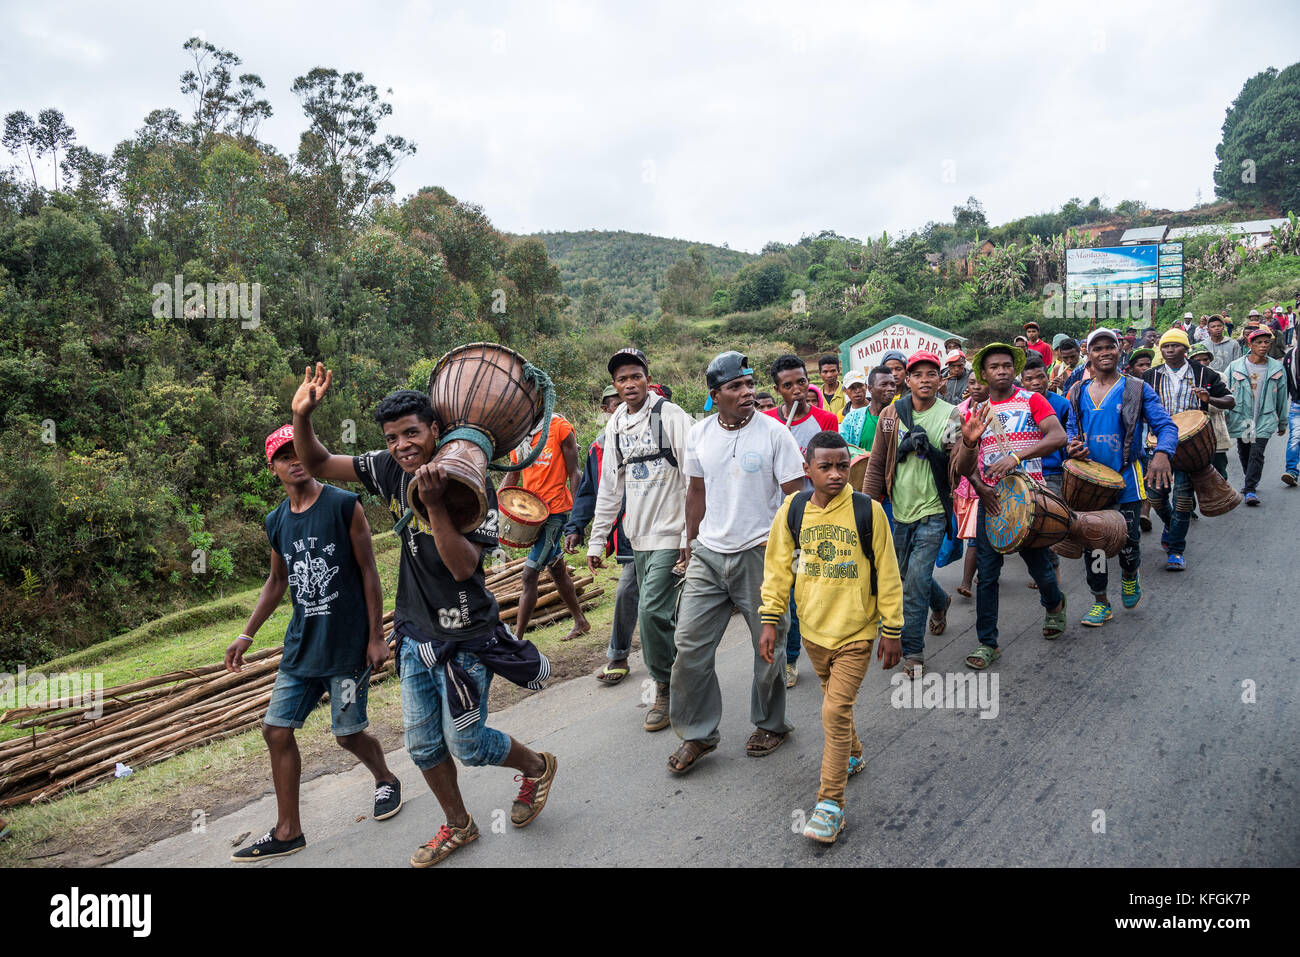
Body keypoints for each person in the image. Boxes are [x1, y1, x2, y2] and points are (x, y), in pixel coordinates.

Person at [291, 371, 557, 867]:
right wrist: (302, 416)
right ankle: (460, 825)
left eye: (411, 432)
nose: (401, 446)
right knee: (423, 744)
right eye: (391, 438)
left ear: (435, 428)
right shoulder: (389, 470)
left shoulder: (471, 482)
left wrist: (433, 503)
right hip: (416, 633)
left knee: (470, 744)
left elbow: (462, 567)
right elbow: (319, 462)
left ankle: (539, 767)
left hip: (467, 635)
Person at [226, 425, 400, 862]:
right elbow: (277, 580)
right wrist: (246, 634)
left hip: (346, 650)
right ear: (273, 468)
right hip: (302, 650)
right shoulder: (277, 521)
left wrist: (376, 637)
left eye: (297, 450)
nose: (293, 459)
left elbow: (368, 571)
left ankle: (386, 780)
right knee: (276, 730)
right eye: (283, 455)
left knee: (346, 734)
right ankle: (288, 831)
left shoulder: (344, 505)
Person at [758, 431, 903, 843]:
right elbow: (777, 569)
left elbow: (889, 574)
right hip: (813, 632)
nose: (837, 474)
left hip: (857, 631)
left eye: (843, 465)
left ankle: (830, 805)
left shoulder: (867, 511)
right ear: (807, 470)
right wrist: (770, 621)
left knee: (834, 713)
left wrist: (892, 630)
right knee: (832, 702)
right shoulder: (794, 509)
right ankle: (853, 754)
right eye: (826, 467)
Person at [666, 351, 805, 774]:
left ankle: (771, 723)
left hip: (761, 553)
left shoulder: (775, 434)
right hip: (708, 554)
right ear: (715, 395)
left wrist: (793, 555)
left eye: (749, 384)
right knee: (689, 646)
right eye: (735, 387)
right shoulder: (700, 433)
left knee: (768, 646)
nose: (747, 393)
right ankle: (698, 733)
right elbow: (696, 492)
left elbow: (796, 498)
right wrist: (689, 542)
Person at [587, 347, 693, 730]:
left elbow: (694, 477)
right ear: (614, 385)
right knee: (662, 615)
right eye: (622, 379)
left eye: (636, 376)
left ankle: (664, 687)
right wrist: (597, 540)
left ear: (648, 377)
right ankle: (685, 672)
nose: (629, 384)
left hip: (671, 534)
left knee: (649, 613)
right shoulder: (616, 423)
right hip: (637, 537)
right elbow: (609, 488)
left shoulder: (671, 416)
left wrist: (688, 533)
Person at [950, 345, 1068, 670]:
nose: (1001, 371)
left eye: (1006, 366)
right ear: (983, 374)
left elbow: (1057, 436)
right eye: (994, 367)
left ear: (1013, 370)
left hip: (1030, 500)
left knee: (1040, 568)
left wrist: (1016, 457)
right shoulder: (976, 412)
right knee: (987, 577)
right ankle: (988, 643)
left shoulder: (1032, 400)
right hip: (993, 501)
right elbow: (963, 465)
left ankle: (1055, 604)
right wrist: (979, 486)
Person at [1064, 330, 1177, 627]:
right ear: (1088, 354)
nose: (1104, 352)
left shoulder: (1136, 389)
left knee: (1128, 541)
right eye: (1097, 348)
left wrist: (1163, 453)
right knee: (1095, 542)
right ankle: (1101, 601)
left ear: (1119, 350)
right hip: (1089, 484)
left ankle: (1129, 575)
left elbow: (1166, 426)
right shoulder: (1077, 390)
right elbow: (1072, 430)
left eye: (1110, 347)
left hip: (1126, 478)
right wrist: (1072, 445)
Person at [863, 352, 959, 678]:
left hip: (933, 510)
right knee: (906, 574)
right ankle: (940, 600)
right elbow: (877, 462)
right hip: (900, 511)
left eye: (932, 374)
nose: (926, 379)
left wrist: (929, 450)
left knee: (913, 583)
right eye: (918, 374)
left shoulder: (952, 415)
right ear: (908, 380)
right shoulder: (891, 415)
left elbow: (954, 465)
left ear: (940, 380)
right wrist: (865, 506)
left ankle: (913, 653)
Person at [765, 354, 839, 685]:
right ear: (777, 389)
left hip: (819, 515)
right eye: (788, 385)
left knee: (826, 584)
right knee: (792, 592)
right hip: (782, 520)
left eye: (801, 382)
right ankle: (792, 659)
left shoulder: (824, 419)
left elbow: (835, 468)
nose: (797, 390)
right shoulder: (767, 421)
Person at [1142, 329, 1233, 569]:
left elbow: (1230, 401)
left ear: (1186, 349)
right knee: (1155, 496)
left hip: (1190, 446)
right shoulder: (1150, 376)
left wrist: (1209, 399)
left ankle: (1176, 550)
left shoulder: (1204, 373)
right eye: (1165, 347)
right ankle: (1173, 527)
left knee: (1182, 499)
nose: (1169, 350)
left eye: (1175, 346)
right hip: (1159, 445)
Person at [564, 388, 638, 685]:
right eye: (615, 404)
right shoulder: (598, 447)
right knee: (627, 592)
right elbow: (589, 492)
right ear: (607, 411)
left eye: (627, 402)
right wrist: (575, 527)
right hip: (626, 534)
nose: (622, 407)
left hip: (664, 529)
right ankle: (619, 654)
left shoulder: (656, 434)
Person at [501, 412, 590, 639]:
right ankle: (580, 620)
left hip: (556, 513)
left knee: (529, 574)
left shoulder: (560, 427)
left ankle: (517, 638)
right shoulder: (520, 435)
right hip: (532, 513)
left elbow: (575, 473)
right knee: (556, 569)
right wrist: (494, 506)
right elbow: (513, 475)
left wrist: (577, 519)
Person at [1224, 327, 1288, 505]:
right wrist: (1226, 417)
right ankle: (1250, 479)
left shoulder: (1276, 368)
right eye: (1258, 342)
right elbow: (1226, 393)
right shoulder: (1235, 366)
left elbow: (1282, 397)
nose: (1263, 346)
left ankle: (1250, 489)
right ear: (1249, 344)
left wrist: (1282, 423)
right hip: (1243, 417)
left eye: (1267, 342)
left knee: (1256, 453)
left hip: (1264, 418)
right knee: (1245, 452)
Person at [952, 377, 989, 598]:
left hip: (990, 478)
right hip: (966, 481)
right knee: (975, 533)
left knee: (977, 534)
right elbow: (949, 441)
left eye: (981, 382)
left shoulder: (997, 410)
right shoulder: (957, 411)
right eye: (972, 382)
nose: (975, 387)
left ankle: (966, 581)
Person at [1189, 343, 1233, 480]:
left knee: (1219, 472)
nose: (1203, 363)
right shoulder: (1187, 378)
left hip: (1215, 429)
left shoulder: (1217, 376)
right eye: (1197, 360)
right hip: (1192, 433)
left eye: (1205, 359)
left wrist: (1207, 400)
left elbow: (1224, 404)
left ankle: (1223, 501)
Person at [840, 366, 895, 452]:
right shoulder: (851, 419)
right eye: (884, 385)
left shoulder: (899, 416)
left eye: (892, 385)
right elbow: (842, 449)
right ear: (870, 388)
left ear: (865, 387)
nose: (890, 389)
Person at [1283, 333, 1300, 487]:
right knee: (1295, 438)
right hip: (1297, 404)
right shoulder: (1290, 356)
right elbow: (1286, 382)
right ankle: (1292, 471)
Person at [818, 354, 847, 420]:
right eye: (825, 372)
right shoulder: (816, 396)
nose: (829, 375)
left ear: (838, 371)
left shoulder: (847, 392)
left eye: (833, 371)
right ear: (820, 373)